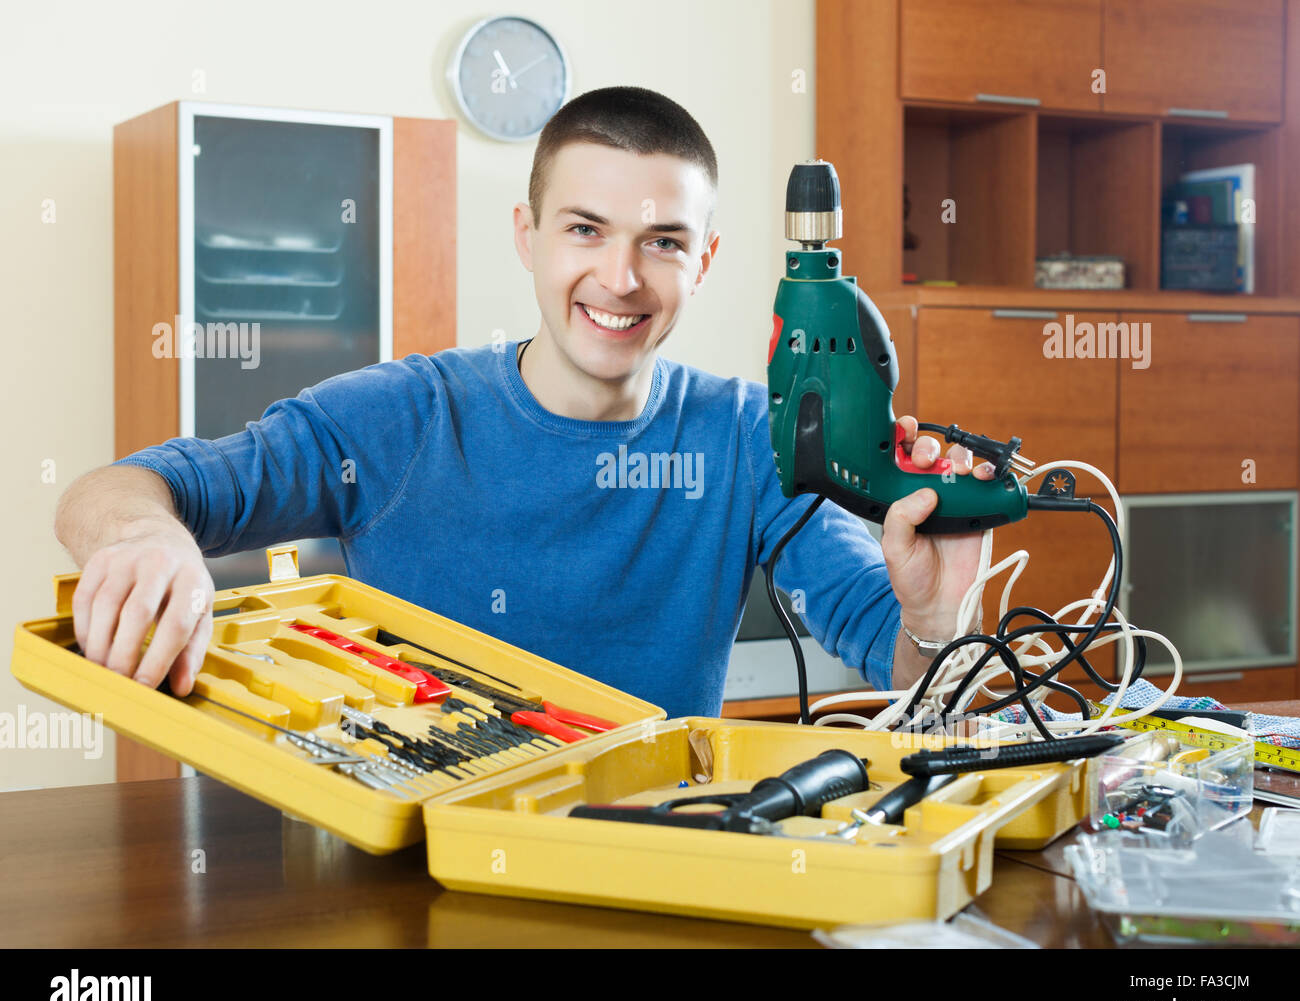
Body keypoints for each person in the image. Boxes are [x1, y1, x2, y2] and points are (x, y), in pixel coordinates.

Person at [54, 85, 992, 719]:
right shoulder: (402, 417)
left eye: (663, 241)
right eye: (585, 229)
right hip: (412, 878)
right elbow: (110, 490)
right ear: (529, 235)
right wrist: (146, 536)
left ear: (703, 263)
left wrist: (937, 614)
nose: (620, 277)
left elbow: (901, 659)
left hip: (651, 868)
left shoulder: (753, 436)